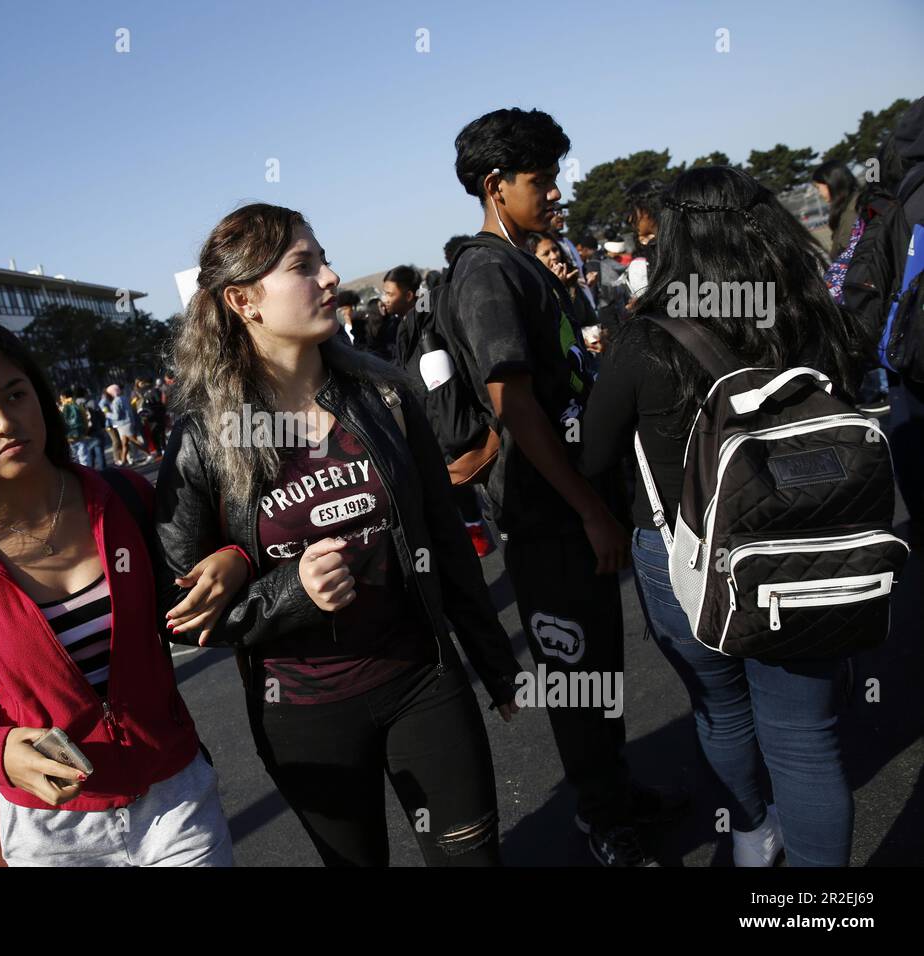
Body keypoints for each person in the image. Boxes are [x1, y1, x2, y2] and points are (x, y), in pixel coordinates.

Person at [155, 202, 525, 867]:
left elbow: (445, 535)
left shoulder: (382, 394)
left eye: (323, 259)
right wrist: (288, 591)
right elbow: (183, 614)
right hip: (304, 716)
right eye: (305, 266)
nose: (331, 278)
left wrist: (495, 661)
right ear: (245, 300)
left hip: (423, 680)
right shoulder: (205, 438)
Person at [0, 314, 251, 867]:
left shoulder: (125, 497)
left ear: (40, 395)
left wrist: (235, 558)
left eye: (15, 394)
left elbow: (206, 563)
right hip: (51, 832)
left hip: (174, 799)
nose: (4, 422)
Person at [578, 165, 871, 866]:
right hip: (804, 540)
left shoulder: (644, 337)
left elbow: (593, 455)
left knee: (722, 708)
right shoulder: (805, 308)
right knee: (805, 740)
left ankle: (749, 829)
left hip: (685, 552)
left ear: (673, 234)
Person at [450, 107, 685, 866]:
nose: (556, 192)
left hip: (576, 507)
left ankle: (614, 791)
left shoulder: (528, 261)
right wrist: (589, 510)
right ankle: (602, 818)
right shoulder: (486, 271)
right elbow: (512, 403)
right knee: (579, 674)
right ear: (495, 187)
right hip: (548, 518)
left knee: (602, 667)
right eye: (541, 179)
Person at [812, 159, 862, 258]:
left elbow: (847, 257)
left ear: (830, 183)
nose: (819, 193)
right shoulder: (852, 204)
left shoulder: (851, 213)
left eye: (818, 187)